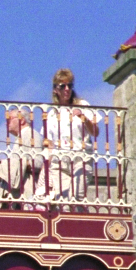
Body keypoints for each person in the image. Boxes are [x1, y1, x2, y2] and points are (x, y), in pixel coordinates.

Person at [42, 69, 98, 205]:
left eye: (70, 85)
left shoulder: (82, 105)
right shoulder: (52, 113)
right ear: (55, 89)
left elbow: (95, 132)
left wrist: (83, 117)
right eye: (62, 86)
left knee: (75, 199)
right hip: (59, 161)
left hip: (81, 159)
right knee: (64, 202)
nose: (67, 89)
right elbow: (47, 141)